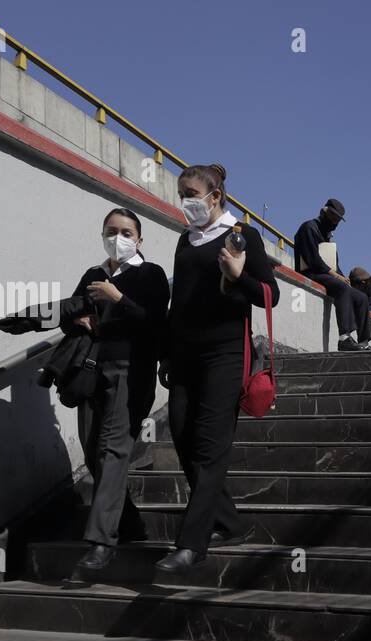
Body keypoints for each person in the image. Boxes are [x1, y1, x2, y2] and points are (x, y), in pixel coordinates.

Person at [155, 163, 280, 574]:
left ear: (216, 197)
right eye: (181, 194)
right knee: (183, 437)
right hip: (185, 356)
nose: (186, 201)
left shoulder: (242, 236)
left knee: (210, 448)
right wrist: (167, 354)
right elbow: (180, 301)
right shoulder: (185, 241)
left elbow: (269, 295)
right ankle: (229, 522)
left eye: (191, 193)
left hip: (225, 356)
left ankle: (192, 544)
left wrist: (238, 277)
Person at [64, 208, 170, 577]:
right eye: (112, 231)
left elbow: (157, 323)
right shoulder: (94, 275)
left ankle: (100, 542)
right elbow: (72, 309)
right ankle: (130, 525)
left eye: (127, 232)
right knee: (93, 451)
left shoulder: (151, 274)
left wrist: (117, 298)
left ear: (139, 239)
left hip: (131, 372)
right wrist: (76, 318)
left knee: (112, 449)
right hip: (92, 371)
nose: (118, 237)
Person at [294, 199, 371, 351]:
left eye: (337, 220)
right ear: (325, 213)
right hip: (311, 273)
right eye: (333, 218)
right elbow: (313, 260)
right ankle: (344, 337)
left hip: (326, 275)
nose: (335, 223)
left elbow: (334, 265)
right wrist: (337, 276)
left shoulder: (327, 235)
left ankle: (364, 341)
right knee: (342, 287)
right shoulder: (308, 228)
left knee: (361, 297)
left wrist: (343, 277)